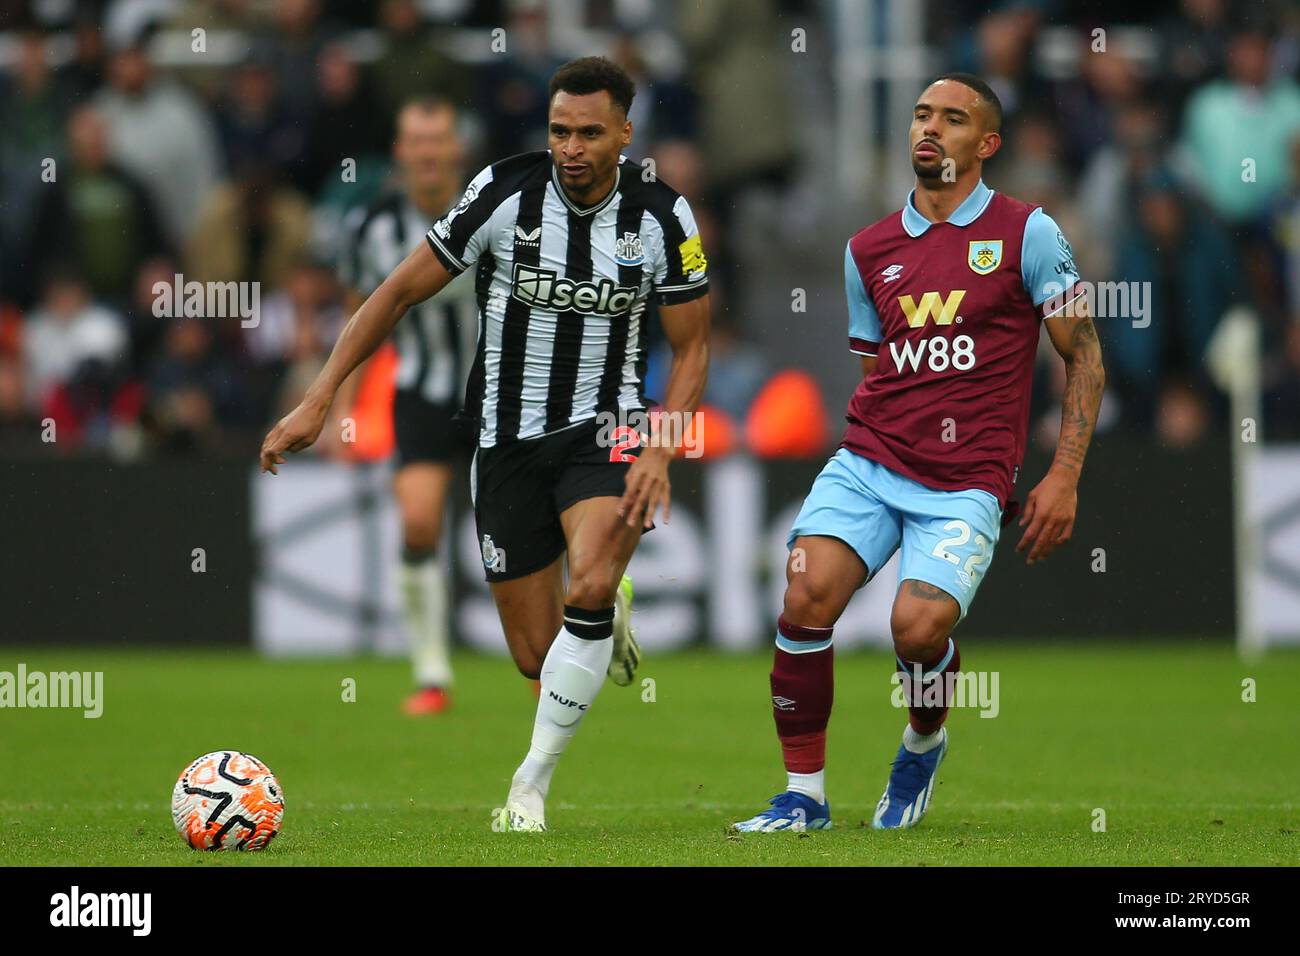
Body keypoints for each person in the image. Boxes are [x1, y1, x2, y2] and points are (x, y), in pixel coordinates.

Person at [260, 56, 711, 832]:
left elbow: (693, 347)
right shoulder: (504, 193)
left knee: (592, 583)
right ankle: (607, 619)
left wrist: (663, 447)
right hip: (504, 440)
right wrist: (317, 396)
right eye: (560, 131)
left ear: (625, 135)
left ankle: (529, 786)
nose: (571, 147)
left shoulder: (664, 218)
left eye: (590, 133)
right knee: (538, 658)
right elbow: (398, 290)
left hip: (609, 429)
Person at [734, 74, 1104, 833]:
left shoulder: (1027, 232)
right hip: (870, 461)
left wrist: (1063, 473)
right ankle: (802, 798)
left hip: (967, 479)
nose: (929, 129)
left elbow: (1086, 354)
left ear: (987, 144)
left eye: (953, 119)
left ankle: (922, 742)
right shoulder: (867, 249)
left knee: (917, 629)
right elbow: (880, 370)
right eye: (921, 115)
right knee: (805, 597)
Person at [336, 97, 480, 716]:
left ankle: (544, 665)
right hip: (420, 391)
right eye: (415, 141)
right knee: (419, 523)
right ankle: (431, 673)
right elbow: (358, 316)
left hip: (498, 392)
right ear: (400, 152)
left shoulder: (492, 212)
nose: (427, 152)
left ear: (455, 148)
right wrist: (337, 405)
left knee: (531, 531)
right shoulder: (372, 227)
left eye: (437, 139)